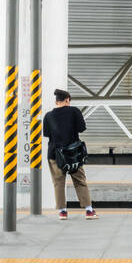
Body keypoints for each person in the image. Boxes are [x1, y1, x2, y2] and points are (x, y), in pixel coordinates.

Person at [42, 89, 97, 221]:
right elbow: (81, 128)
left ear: (56, 101)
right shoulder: (74, 111)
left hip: (55, 154)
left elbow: (47, 134)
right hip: (73, 154)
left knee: (58, 183)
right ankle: (89, 211)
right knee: (80, 181)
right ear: (67, 99)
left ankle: (62, 212)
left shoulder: (48, 116)